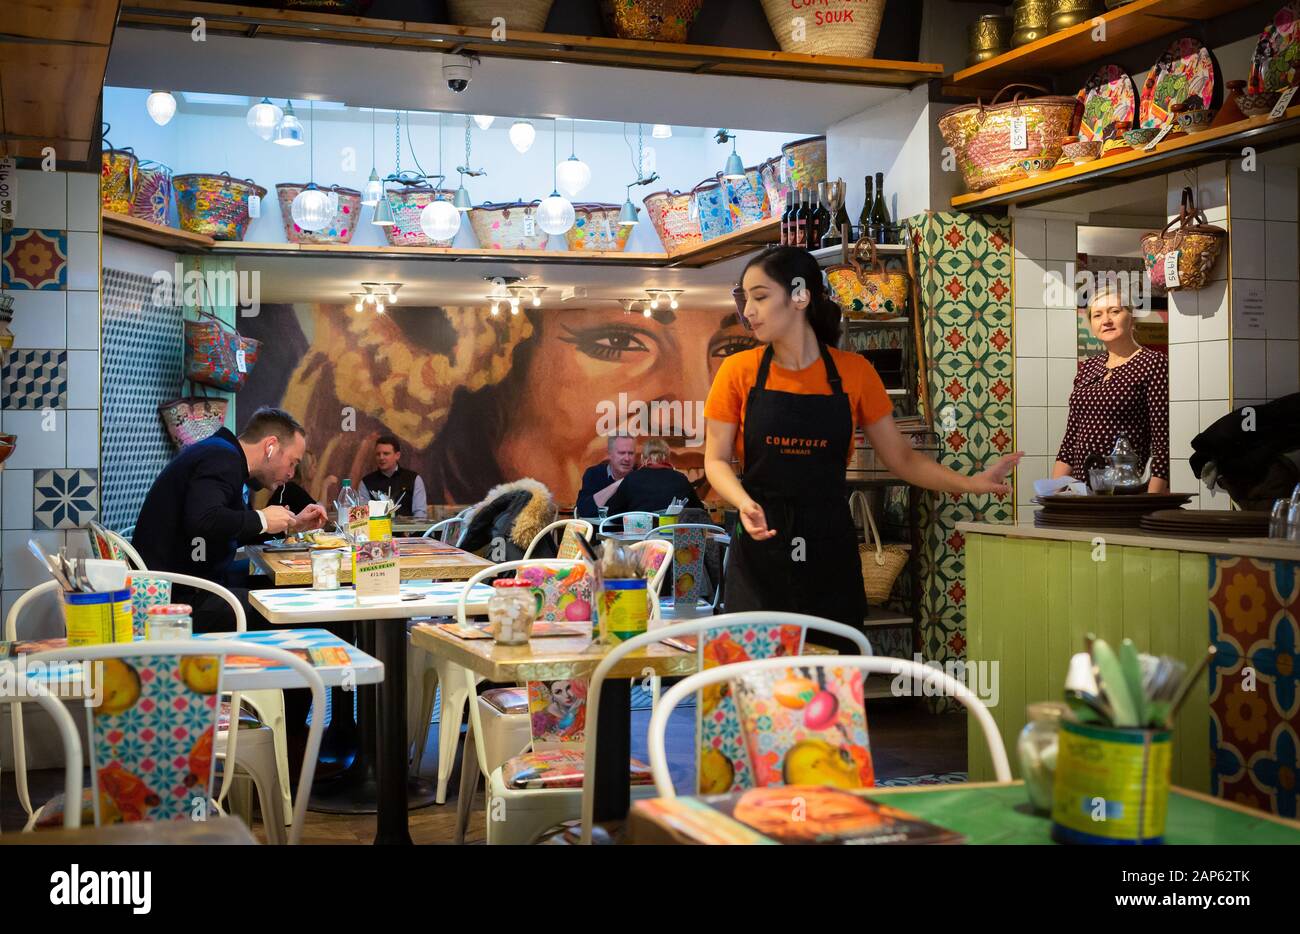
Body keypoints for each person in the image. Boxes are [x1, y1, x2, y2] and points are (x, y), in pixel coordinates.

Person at [704, 247, 1021, 651]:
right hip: (761, 546)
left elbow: (902, 458)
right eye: (743, 297)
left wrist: (972, 483)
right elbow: (714, 461)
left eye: (760, 296)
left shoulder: (855, 373)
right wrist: (743, 502)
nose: (748, 310)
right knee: (757, 690)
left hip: (829, 547)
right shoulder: (738, 371)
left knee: (831, 690)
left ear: (799, 296)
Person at [132, 407, 327, 633]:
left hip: (191, 582)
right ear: (270, 447)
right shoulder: (221, 458)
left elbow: (228, 527)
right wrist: (262, 518)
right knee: (301, 609)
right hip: (179, 599)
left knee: (274, 583)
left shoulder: (221, 452)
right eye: (292, 462)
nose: (292, 473)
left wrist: (293, 523)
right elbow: (203, 520)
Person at [1053, 287, 1169, 492]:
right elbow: (1070, 439)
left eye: (1114, 311)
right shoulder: (1089, 367)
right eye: (1097, 315)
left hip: (1128, 488)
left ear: (1132, 318)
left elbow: (1163, 441)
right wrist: (1054, 493)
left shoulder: (1153, 363)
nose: (1106, 320)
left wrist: (1153, 499)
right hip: (1082, 489)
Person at [606, 438, 705, 515]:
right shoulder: (681, 479)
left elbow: (612, 512)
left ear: (642, 458)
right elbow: (699, 510)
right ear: (668, 457)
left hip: (640, 539)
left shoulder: (632, 479)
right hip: (673, 538)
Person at [357, 434, 428, 519]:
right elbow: (363, 516)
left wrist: (412, 531)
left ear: (397, 455)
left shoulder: (414, 479)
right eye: (378, 454)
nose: (381, 457)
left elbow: (420, 513)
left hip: (408, 531)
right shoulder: (366, 482)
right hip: (376, 530)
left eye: (386, 454)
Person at [576, 435, 637, 517]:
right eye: (621, 453)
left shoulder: (641, 476)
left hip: (633, 529)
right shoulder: (594, 474)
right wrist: (619, 484)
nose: (627, 458)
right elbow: (585, 510)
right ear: (609, 454)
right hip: (600, 529)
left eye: (631, 453)